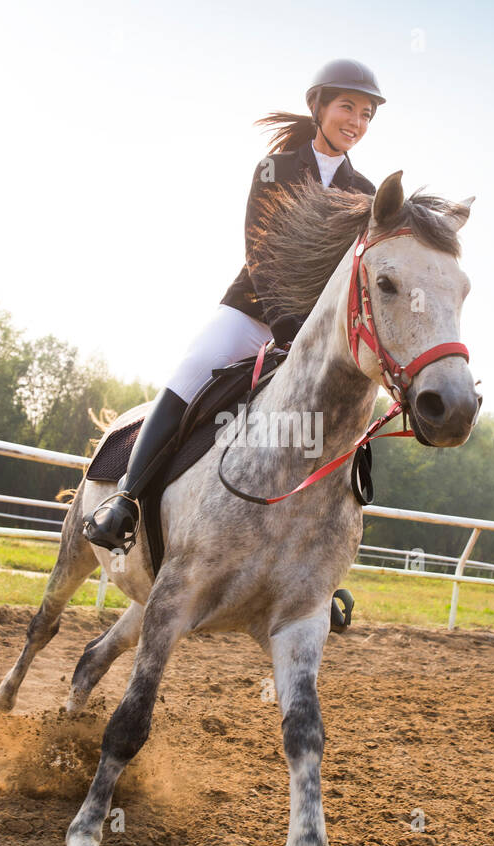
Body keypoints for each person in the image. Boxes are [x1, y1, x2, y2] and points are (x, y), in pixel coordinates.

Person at [82, 58, 385, 553]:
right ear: (319, 107)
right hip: (250, 313)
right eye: (347, 107)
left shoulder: (366, 192)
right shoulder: (276, 169)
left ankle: (319, 557)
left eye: (367, 114)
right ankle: (125, 500)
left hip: (313, 334)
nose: (356, 121)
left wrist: (319, 331)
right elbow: (260, 250)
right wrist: (283, 323)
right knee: (194, 367)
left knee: (346, 409)